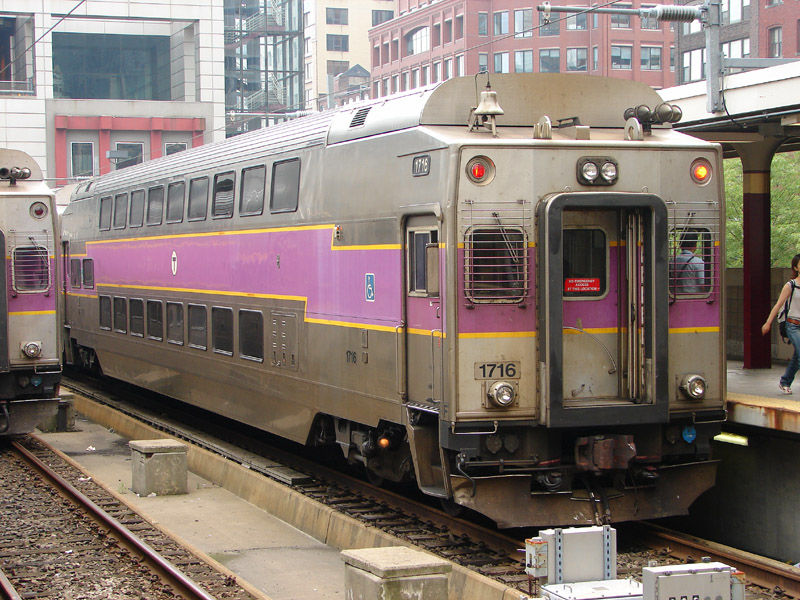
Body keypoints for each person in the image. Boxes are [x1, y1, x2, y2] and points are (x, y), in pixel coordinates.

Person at [762, 253, 800, 394]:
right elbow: (778, 305)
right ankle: (785, 382)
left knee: (797, 356)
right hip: (792, 325)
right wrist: (768, 323)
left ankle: (785, 382)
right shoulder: (791, 285)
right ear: (796, 268)